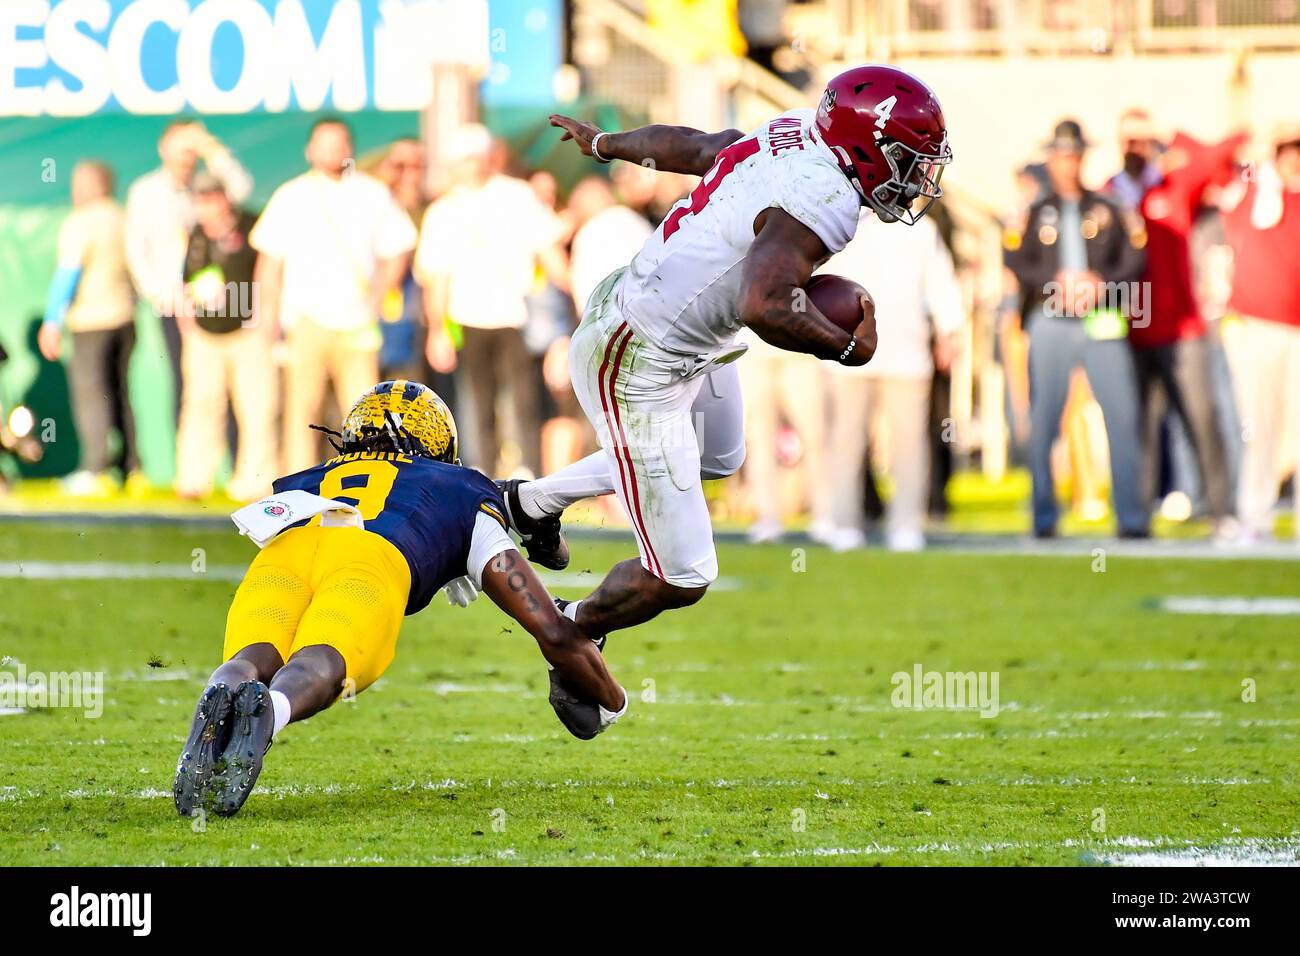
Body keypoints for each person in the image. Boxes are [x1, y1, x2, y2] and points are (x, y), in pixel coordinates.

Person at [497, 65, 950, 643]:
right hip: (640, 355)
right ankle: (569, 627)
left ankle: (533, 502)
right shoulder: (827, 197)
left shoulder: (795, 131)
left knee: (717, 455)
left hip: (669, 324)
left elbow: (697, 147)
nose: (915, 179)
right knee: (682, 577)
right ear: (867, 147)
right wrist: (844, 347)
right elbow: (762, 304)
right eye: (907, 159)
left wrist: (608, 143)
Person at [173, 381, 627, 819]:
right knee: (321, 660)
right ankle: (271, 713)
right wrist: (612, 700)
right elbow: (547, 625)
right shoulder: (461, 489)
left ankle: (221, 695)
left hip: (285, 551)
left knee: (253, 657)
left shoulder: (305, 476)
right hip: (372, 558)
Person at [1005, 120, 1149, 539]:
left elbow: (1134, 259)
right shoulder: (1033, 212)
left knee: (1121, 415)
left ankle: (1132, 518)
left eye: (1074, 157)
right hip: (1051, 318)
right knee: (1045, 417)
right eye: (1061, 156)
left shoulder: (1107, 207)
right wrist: (1058, 283)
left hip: (1101, 317)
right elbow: (1018, 261)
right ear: (1050, 159)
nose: (1068, 165)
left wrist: (1100, 281)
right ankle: (1044, 515)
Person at [251, 117, 418, 474]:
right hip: (305, 319)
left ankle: (363, 479)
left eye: (339, 143)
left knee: (364, 411)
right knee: (302, 409)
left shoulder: (372, 194)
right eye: (324, 144)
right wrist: (269, 318)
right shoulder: (291, 195)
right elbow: (268, 263)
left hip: (358, 321)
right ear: (310, 150)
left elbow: (399, 246)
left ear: (350, 149)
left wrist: (379, 295)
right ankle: (296, 481)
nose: (332, 151)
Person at [1108, 112, 1244, 534]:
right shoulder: (1111, 196)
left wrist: (1172, 138)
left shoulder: (1172, 186)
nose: (1135, 148)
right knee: (1140, 429)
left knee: (1202, 420)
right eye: (1128, 140)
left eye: (1142, 140)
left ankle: (1223, 513)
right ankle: (1137, 518)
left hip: (1182, 329)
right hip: (1131, 329)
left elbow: (1224, 151)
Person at [416, 125, 568, 475]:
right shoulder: (442, 210)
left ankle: (528, 473)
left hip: (519, 314)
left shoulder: (518, 195)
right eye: (464, 159)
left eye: (476, 157)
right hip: (467, 315)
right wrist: (437, 330)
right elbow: (436, 276)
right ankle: (481, 472)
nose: (471, 166)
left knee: (524, 399)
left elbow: (548, 250)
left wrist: (572, 298)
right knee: (474, 403)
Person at [820, 204, 965, 551]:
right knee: (847, 441)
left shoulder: (922, 229)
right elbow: (823, 285)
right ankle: (844, 524)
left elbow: (940, 283)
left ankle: (906, 524)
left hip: (907, 351)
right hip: (849, 352)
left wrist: (949, 331)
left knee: (910, 442)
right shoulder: (844, 226)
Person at [125, 121, 252, 424]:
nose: (185, 157)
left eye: (191, 150)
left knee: (230, 381)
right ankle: (189, 461)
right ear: (163, 150)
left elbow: (242, 188)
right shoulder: (146, 191)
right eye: (179, 149)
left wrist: (212, 149)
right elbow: (136, 249)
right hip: (175, 303)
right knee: (186, 381)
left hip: (217, 301)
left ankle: (235, 463)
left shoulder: (208, 188)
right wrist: (158, 294)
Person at [38, 161, 140, 496]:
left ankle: (95, 469)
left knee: (91, 395)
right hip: (125, 317)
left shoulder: (82, 221)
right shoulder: (124, 217)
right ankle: (131, 468)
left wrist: (52, 320)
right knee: (120, 393)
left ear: (99, 185)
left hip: (91, 320)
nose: (74, 189)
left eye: (81, 182)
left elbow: (68, 273)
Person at [173, 174, 276, 501]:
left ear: (224, 198)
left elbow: (270, 272)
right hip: (205, 335)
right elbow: (185, 281)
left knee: (257, 408)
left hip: (248, 332)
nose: (206, 207)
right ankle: (193, 479)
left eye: (210, 199)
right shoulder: (194, 233)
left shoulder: (252, 225)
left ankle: (256, 480)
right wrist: (186, 319)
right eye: (200, 201)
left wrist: (266, 320)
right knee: (201, 406)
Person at [1220, 123, 1300, 542]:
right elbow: (1207, 163)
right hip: (1262, 327)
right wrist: (1249, 137)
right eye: (1288, 151)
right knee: (1260, 425)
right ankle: (1256, 514)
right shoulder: (1254, 196)